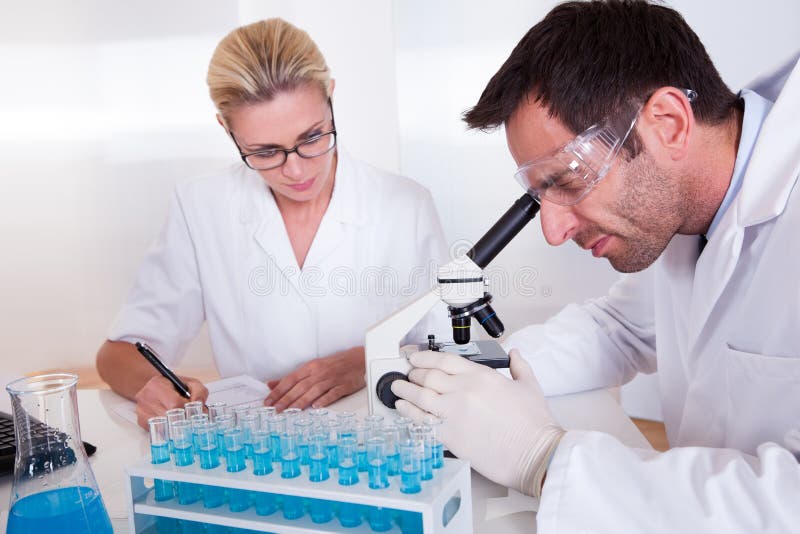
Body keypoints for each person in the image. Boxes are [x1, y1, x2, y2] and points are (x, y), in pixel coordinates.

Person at [392, 1, 800, 531]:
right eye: (540, 196)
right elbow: (622, 328)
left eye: (567, 180)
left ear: (670, 124)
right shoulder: (682, 210)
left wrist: (541, 457)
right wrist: (479, 374)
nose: (554, 231)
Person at [96, 18, 448, 429]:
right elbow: (117, 356)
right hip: (260, 453)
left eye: (313, 137)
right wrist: (154, 388)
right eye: (265, 152)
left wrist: (363, 363)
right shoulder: (201, 207)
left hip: (380, 449)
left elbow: (450, 349)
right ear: (226, 129)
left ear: (331, 96)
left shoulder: (407, 205)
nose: (296, 171)